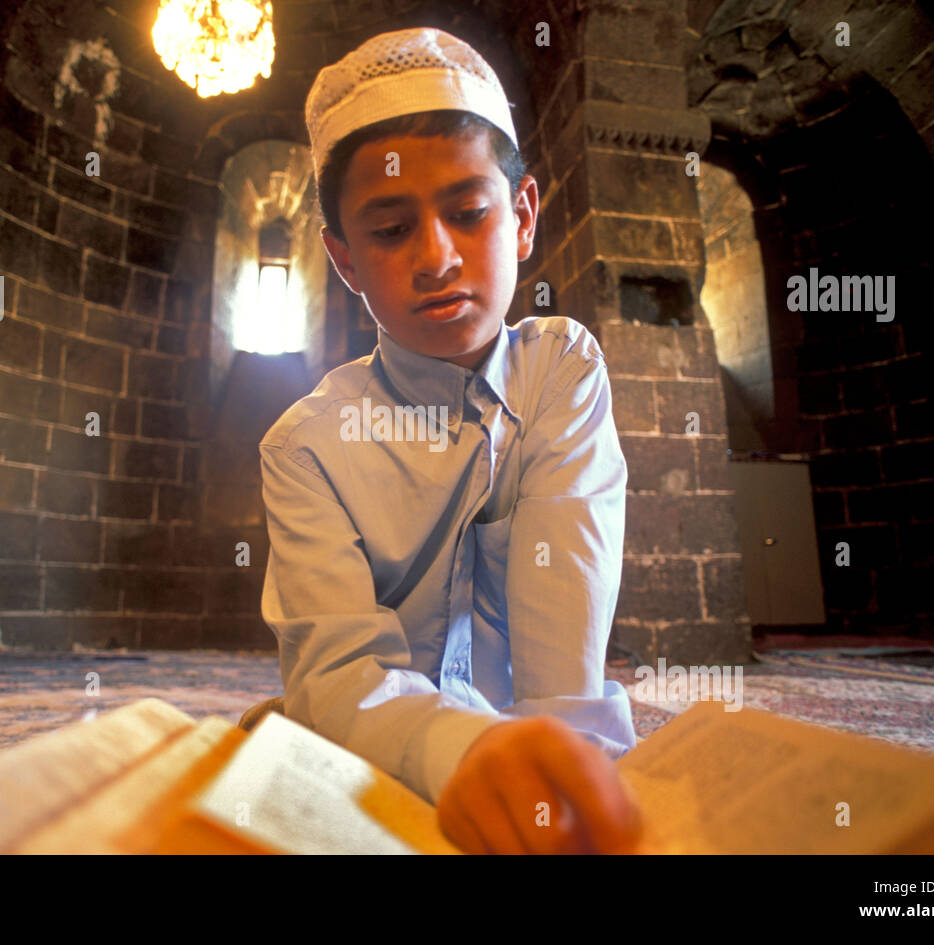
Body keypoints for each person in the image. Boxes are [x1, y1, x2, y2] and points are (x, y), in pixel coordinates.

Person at [259, 26, 642, 854]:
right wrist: (462, 749)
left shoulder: (561, 370)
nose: (436, 258)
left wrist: (553, 768)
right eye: (391, 231)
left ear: (524, 214)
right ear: (345, 260)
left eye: (469, 213)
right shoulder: (307, 445)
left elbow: (562, 648)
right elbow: (339, 672)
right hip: (385, 764)